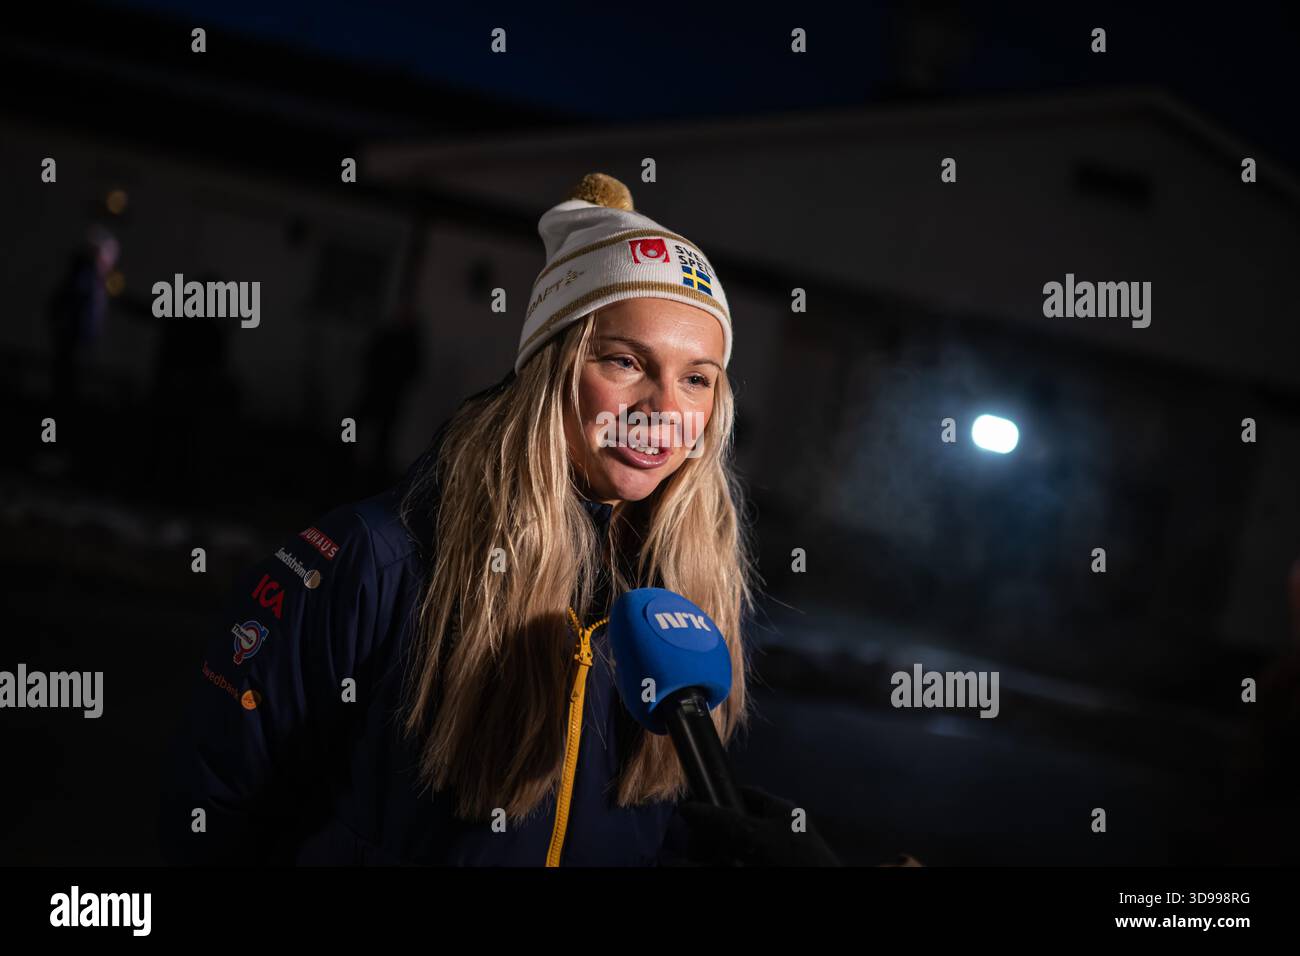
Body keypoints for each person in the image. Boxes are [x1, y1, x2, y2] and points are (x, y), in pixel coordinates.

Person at [159, 172, 840, 866]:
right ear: (551, 368)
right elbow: (215, 809)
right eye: (625, 361)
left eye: (697, 378)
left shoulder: (690, 594)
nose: (663, 408)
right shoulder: (372, 558)